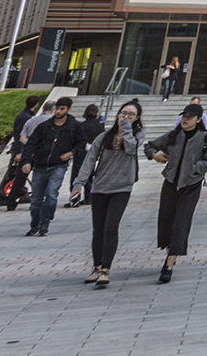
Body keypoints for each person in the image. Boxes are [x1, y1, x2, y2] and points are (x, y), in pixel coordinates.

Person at [144, 102, 207, 283]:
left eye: (189, 117)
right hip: (170, 183)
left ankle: (169, 265)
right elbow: (149, 146)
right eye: (184, 116)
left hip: (191, 186)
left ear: (198, 119)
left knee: (180, 224)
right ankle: (170, 255)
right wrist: (155, 156)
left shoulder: (205, 138)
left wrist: (195, 168)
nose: (185, 120)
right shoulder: (173, 135)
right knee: (166, 223)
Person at [71, 100, 143, 288]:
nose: (125, 117)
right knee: (98, 229)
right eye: (123, 113)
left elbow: (131, 148)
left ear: (137, 119)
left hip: (121, 187)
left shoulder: (136, 135)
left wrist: (126, 128)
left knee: (111, 227)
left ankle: (106, 270)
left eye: (131, 114)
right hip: (100, 187)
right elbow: (89, 160)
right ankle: (96, 266)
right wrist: (78, 184)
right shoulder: (103, 137)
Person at [21, 97, 91, 237]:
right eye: (57, 109)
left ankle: (45, 222)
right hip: (40, 165)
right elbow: (31, 144)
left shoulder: (74, 126)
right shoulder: (45, 126)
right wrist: (26, 161)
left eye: (62, 109)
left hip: (58, 165)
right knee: (36, 198)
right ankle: (35, 224)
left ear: (68, 109)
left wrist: (71, 153)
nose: (58, 112)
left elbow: (82, 143)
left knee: (51, 194)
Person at [0, 94, 43, 210]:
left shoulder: (24, 115)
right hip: (20, 148)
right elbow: (20, 135)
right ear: (36, 105)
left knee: (18, 172)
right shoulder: (25, 117)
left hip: (20, 147)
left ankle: (20, 192)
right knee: (14, 172)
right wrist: (19, 152)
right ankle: (3, 194)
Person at [67, 104, 106, 207]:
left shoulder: (82, 125)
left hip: (81, 151)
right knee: (90, 172)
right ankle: (89, 196)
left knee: (77, 173)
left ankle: (75, 196)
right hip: (93, 150)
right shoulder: (100, 124)